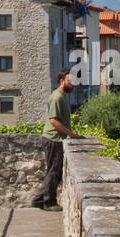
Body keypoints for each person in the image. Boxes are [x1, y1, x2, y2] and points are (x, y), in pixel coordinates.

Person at [31, 70, 82, 211]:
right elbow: (53, 121)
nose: (73, 85)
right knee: (54, 172)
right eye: (70, 81)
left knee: (54, 171)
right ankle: (48, 202)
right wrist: (71, 134)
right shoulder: (57, 98)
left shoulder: (62, 97)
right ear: (62, 81)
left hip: (57, 139)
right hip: (54, 139)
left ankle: (38, 200)